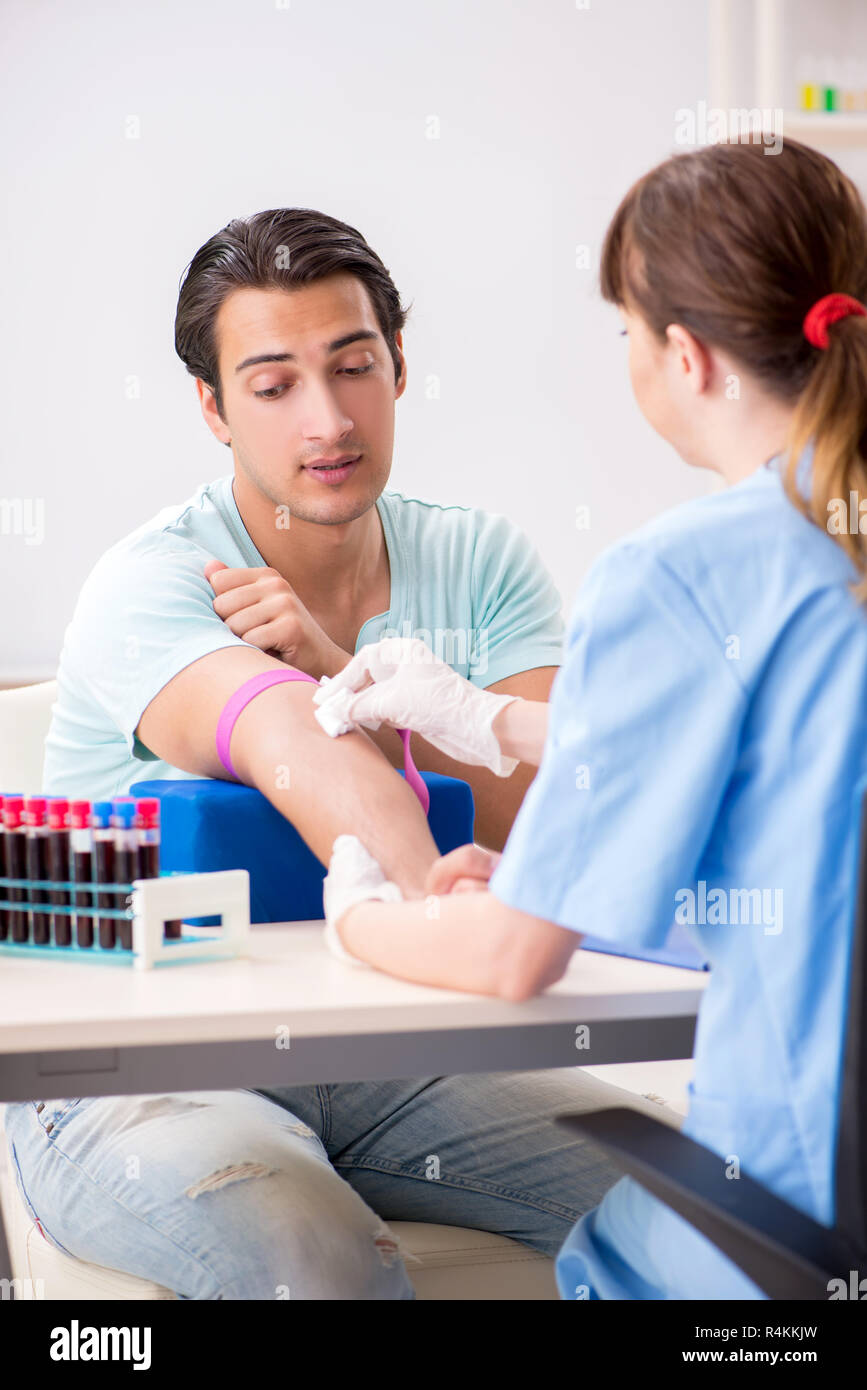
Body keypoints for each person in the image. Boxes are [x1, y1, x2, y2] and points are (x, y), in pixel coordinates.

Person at [4, 208, 651, 1300]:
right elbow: (291, 741)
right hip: (149, 1073)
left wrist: (344, 663)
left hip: (396, 1054)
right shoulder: (155, 581)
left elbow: (552, 820)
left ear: (400, 365)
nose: (329, 417)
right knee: (313, 1258)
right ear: (212, 408)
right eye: (274, 386)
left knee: (712, 1207)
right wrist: (433, 903)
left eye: (354, 366)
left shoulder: (479, 559)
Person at [315, 137, 867, 1299]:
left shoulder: (680, 572)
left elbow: (516, 959)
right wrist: (508, 746)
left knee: (600, 1251)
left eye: (625, 332)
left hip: (794, 1228)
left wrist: (364, 915)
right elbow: (808, 864)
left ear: (684, 354)